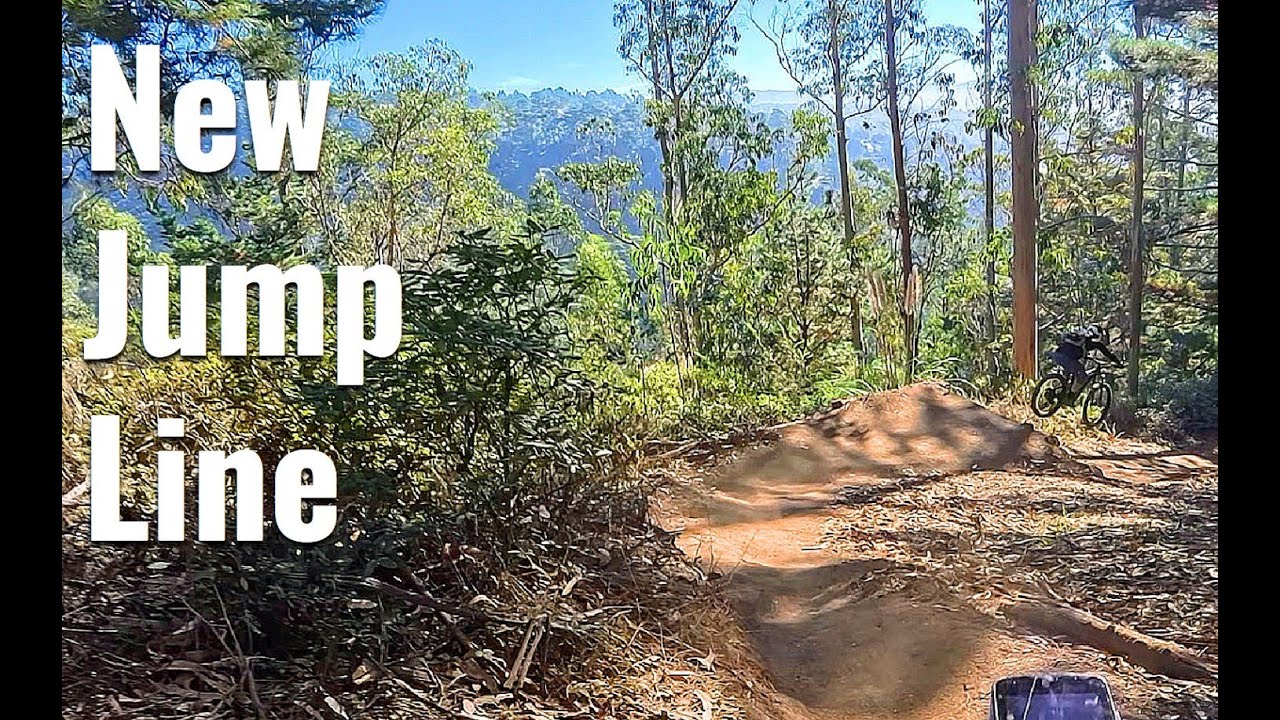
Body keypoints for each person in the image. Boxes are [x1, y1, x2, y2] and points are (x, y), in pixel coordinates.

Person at [1049, 324, 1120, 391]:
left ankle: (1057, 390)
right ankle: (1071, 396)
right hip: (1068, 360)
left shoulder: (1078, 333)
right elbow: (1104, 351)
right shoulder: (1090, 342)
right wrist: (1117, 362)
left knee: (1067, 375)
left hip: (1057, 355)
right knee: (1082, 377)